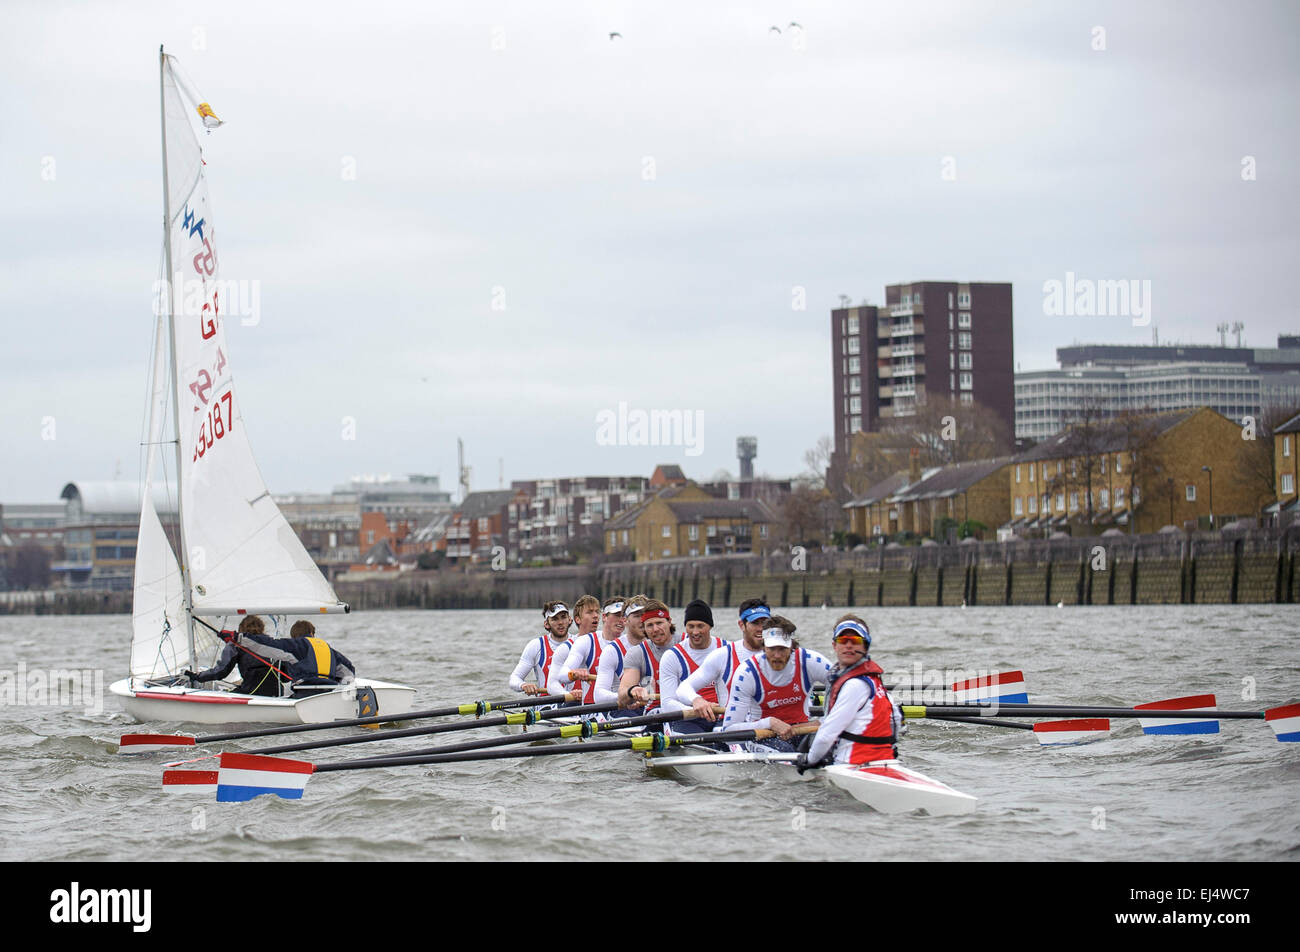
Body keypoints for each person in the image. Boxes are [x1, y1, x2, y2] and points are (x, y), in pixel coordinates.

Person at [797, 615, 903, 772]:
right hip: (884, 760)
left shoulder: (854, 685)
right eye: (843, 641)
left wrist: (809, 760)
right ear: (834, 645)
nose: (848, 646)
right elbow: (897, 720)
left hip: (852, 763)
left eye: (855, 641)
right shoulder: (874, 679)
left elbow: (827, 734)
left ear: (865, 647)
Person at [722, 615, 835, 751]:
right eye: (772, 648)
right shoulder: (747, 673)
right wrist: (770, 723)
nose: (776, 655)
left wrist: (823, 721)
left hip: (802, 730)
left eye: (782, 649)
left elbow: (843, 687)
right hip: (764, 735)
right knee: (785, 751)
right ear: (763, 646)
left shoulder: (810, 661)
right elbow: (728, 732)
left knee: (829, 747)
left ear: (791, 647)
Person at [675, 597, 769, 723]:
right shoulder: (723, 655)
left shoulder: (784, 654)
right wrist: (697, 700)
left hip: (774, 725)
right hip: (735, 728)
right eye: (755, 623)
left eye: (765, 623)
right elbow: (683, 688)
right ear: (741, 625)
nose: (761, 628)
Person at [218, 617, 356, 693]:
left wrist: (236, 637)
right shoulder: (328, 649)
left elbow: (268, 644)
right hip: (329, 692)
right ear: (312, 633)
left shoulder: (296, 645)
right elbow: (349, 672)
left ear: (294, 636)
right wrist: (342, 688)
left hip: (305, 694)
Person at [658, 599, 723, 732]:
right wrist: (699, 708)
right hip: (688, 719)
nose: (695, 632)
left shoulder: (726, 649)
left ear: (710, 626)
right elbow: (667, 704)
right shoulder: (672, 656)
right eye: (690, 626)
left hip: (722, 716)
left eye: (700, 626)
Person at [185, 615, 286, 696]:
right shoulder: (272, 643)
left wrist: (198, 676)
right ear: (262, 628)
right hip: (276, 691)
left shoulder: (236, 645)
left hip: (252, 691)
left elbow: (221, 672)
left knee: (228, 693)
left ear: (240, 629)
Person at [555, 595, 625, 703]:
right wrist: (573, 674)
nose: (621, 620)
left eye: (624, 616)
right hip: (593, 710)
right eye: (617, 615)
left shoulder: (633, 644)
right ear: (605, 617)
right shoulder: (585, 642)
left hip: (625, 707)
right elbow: (562, 675)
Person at [618, 599, 676, 712]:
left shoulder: (687, 644)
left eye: (659, 623)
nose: (655, 629)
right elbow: (622, 696)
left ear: (669, 621)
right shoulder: (637, 653)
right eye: (649, 625)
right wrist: (632, 691)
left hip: (690, 710)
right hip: (656, 713)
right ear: (644, 627)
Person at [592, 595, 648, 711]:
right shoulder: (612, 651)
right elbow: (598, 695)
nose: (642, 620)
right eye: (637, 616)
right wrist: (627, 696)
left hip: (651, 709)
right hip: (622, 710)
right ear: (625, 620)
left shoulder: (659, 647)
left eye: (645, 615)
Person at [508, 600, 573, 695]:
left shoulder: (579, 642)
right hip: (547, 704)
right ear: (546, 624)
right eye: (555, 619)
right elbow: (514, 678)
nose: (560, 623)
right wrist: (523, 685)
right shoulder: (536, 646)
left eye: (563, 617)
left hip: (575, 703)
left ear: (570, 620)